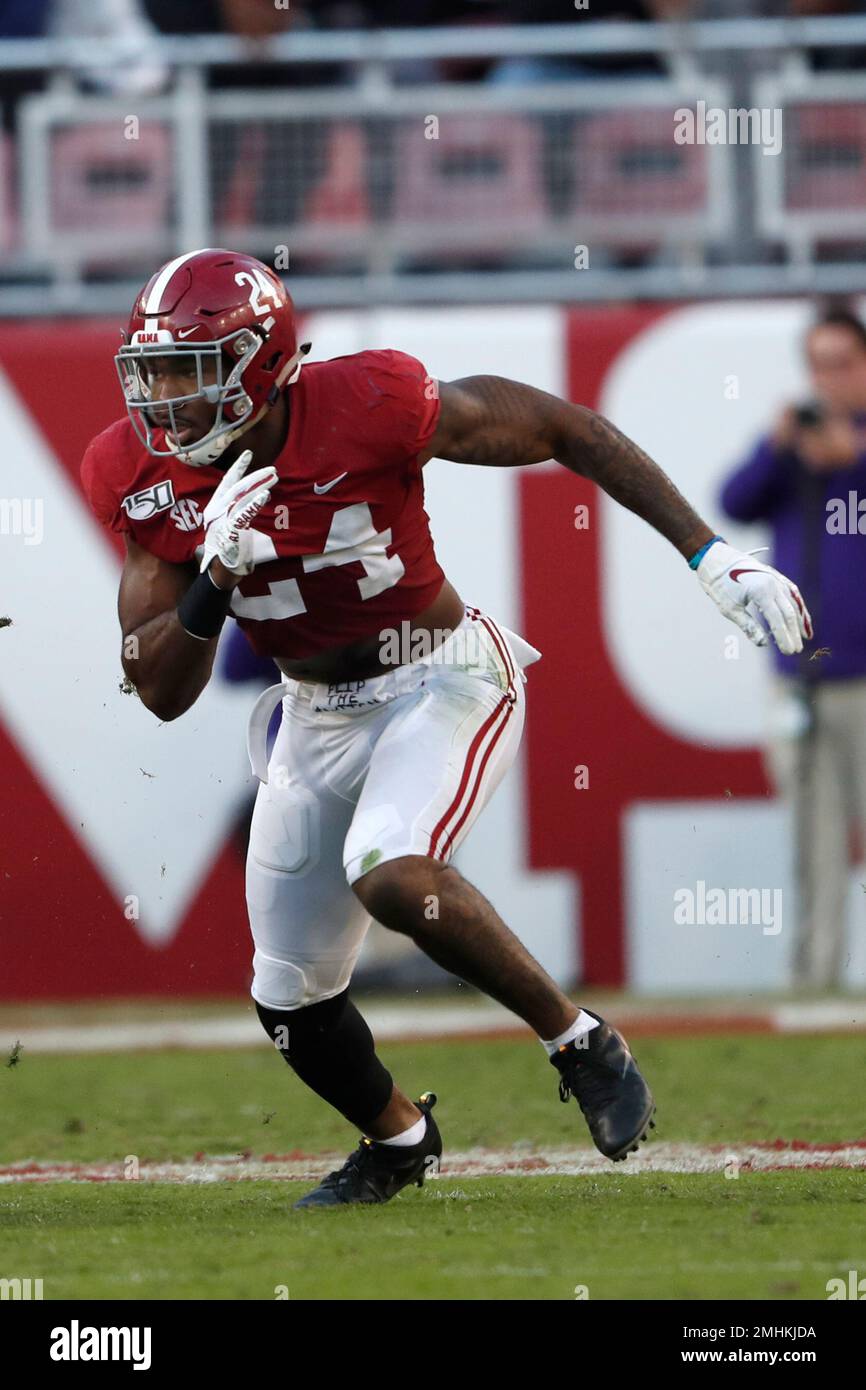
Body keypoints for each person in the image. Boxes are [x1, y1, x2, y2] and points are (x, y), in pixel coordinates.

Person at [81, 248, 810, 1206]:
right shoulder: (137, 472)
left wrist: (710, 557)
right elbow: (160, 686)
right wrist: (214, 580)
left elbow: (563, 427)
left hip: (438, 676)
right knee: (290, 994)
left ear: (261, 363)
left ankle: (579, 1039)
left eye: (191, 369)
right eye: (154, 371)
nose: (166, 397)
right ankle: (399, 1141)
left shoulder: (371, 400)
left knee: (390, 870)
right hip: (311, 712)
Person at [721, 304, 866, 990]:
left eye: (842, 363)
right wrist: (776, 446)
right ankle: (816, 979)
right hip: (801, 681)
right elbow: (733, 500)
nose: (829, 380)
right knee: (814, 842)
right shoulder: (794, 456)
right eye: (819, 365)